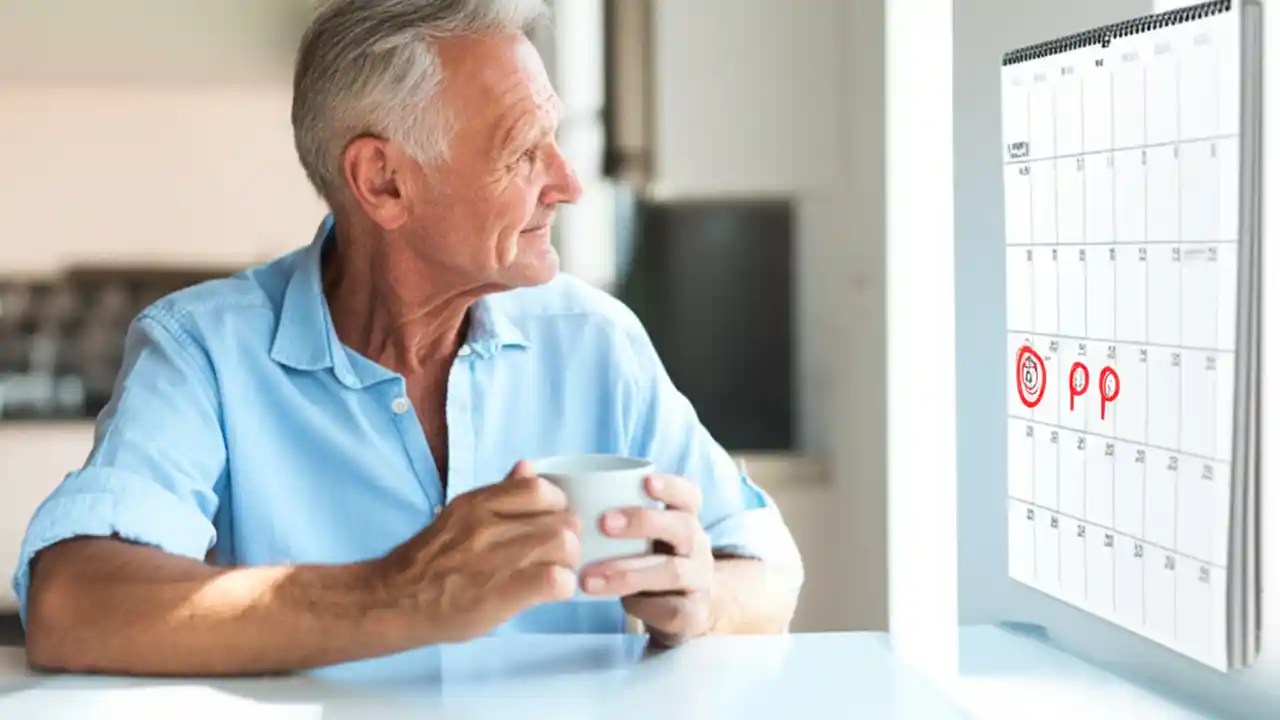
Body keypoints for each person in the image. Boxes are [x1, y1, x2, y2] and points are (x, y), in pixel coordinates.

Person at [14, 0, 803, 676]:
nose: (566, 182)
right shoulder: (204, 353)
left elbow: (769, 571)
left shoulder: (595, 342)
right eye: (523, 150)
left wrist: (699, 598)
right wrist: (401, 593)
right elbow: (70, 605)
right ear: (384, 182)